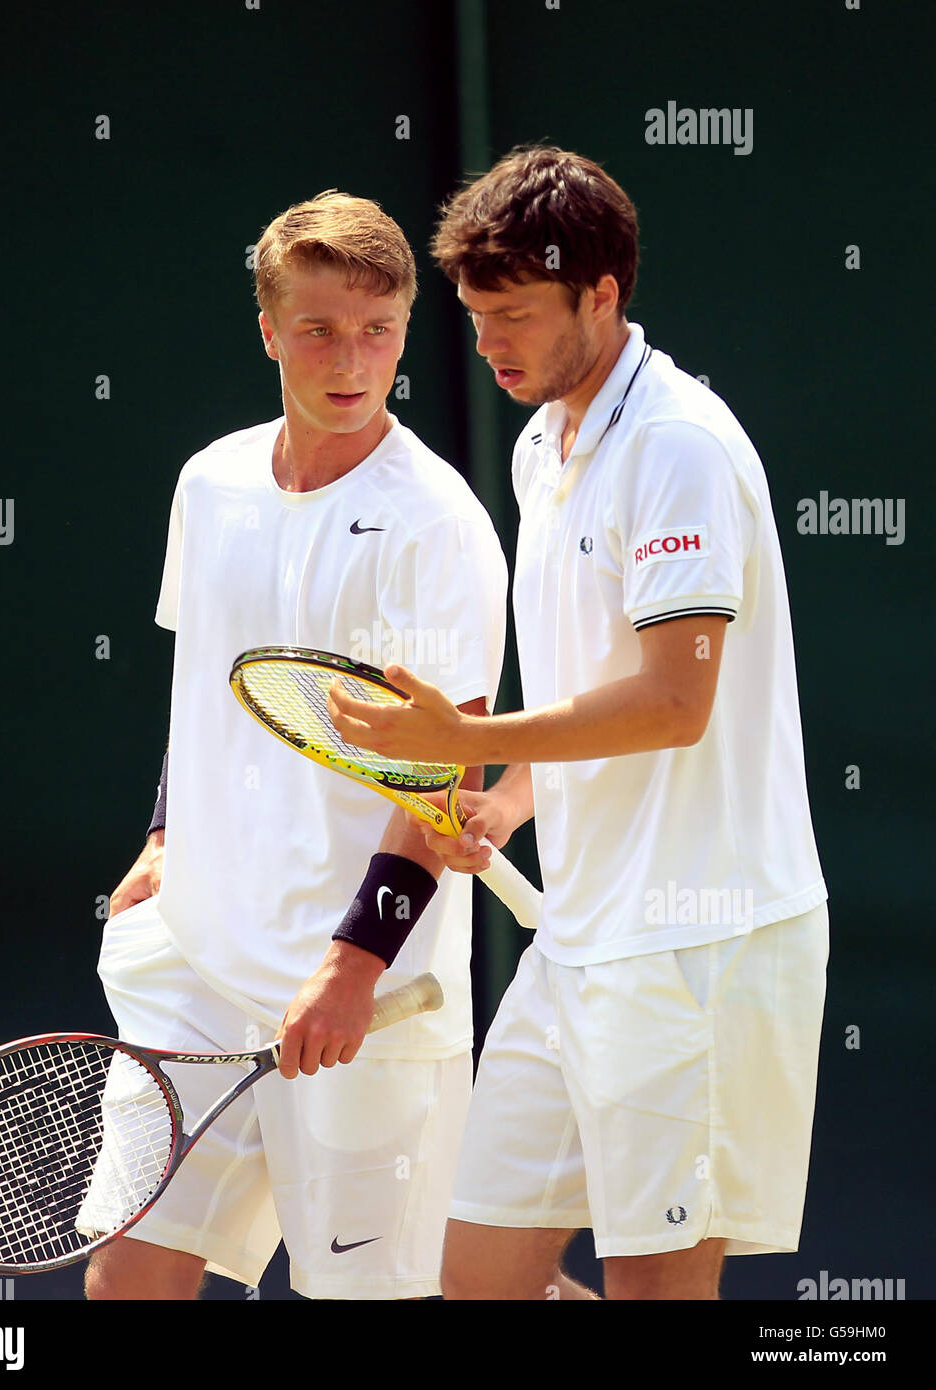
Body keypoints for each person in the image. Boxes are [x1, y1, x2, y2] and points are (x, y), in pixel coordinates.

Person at [328, 146, 829, 1301]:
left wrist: (464, 740)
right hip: (583, 944)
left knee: (662, 1288)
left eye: (515, 315)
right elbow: (586, 684)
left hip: (700, 946)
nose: (491, 344)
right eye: (474, 318)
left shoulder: (678, 449)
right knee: (481, 1280)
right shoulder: (540, 445)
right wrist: (502, 797)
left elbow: (670, 702)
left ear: (601, 294)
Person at [84, 191, 508, 1301]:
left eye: (377, 330)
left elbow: (443, 772)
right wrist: (166, 836)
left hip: (363, 991)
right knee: (127, 1280)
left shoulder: (438, 523)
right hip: (196, 960)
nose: (349, 358)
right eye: (318, 328)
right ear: (269, 330)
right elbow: (209, 688)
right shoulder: (210, 482)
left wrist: (353, 960)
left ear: (407, 334)